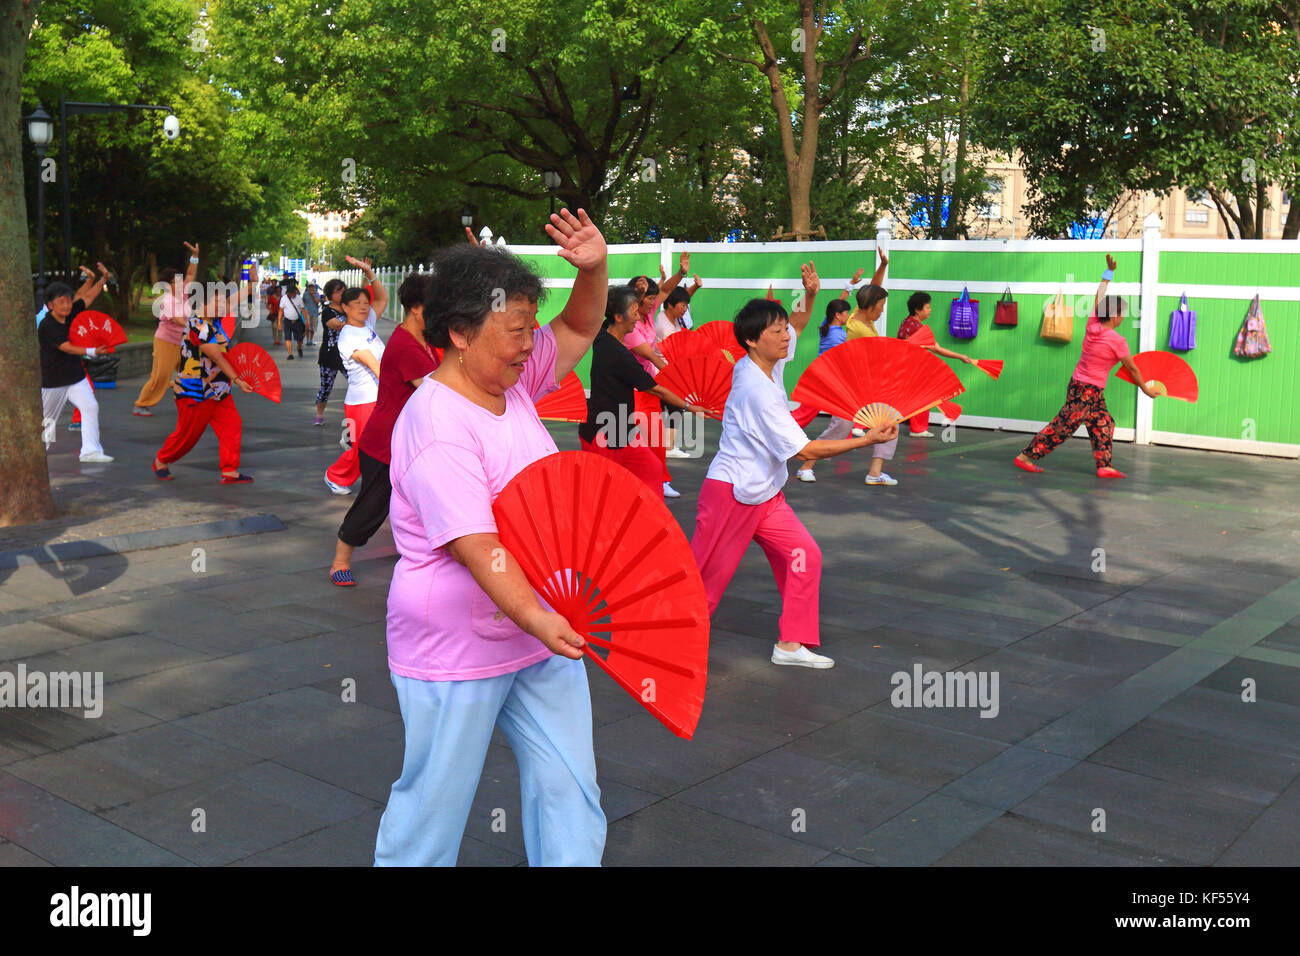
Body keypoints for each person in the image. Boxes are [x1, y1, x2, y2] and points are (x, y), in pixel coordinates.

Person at [374, 208, 609, 867]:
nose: (530, 346)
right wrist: (538, 615)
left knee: (570, 787)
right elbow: (477, 544)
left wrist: (595, 268)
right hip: (457, 643)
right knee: (432, 810)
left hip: (538, 629)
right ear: (457, 332)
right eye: (515, 333)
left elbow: (582, 323)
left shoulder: (517, 384)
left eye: (531, 331)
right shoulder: (435, 422)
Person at [691, 262, 897, 669]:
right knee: (703, 581)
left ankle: (790, 644)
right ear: (752, 340)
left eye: (785, 328)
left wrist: (813, 292)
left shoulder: (766, 363)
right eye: (777, 331)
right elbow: (805, 453)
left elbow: (800, 320)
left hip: (764, 493)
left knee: (805, 555)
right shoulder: (755, 389)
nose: (787, 335)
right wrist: (867, 439)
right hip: (730, 494)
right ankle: (661, 636)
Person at [330, 273, 439, 585]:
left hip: (410, 440)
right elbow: (434, 391)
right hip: (385, 443)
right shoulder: (406, 345)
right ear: (417, 308)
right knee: (373, 504)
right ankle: (340, 560)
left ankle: (423, 553)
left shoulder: (426, 338)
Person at [1015, 255, 1160, 478]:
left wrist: (1108, 273)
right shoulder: (1116, 340)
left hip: (1082, 387)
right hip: (1086, 390)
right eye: (1121, 313)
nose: (1123, 317)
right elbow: (1133, 369)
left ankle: (1104, 466)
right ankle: (1025, 457)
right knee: (1063, 427)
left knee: (1103, 422)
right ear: (1113, 315)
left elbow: (1099, 296)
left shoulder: (1093, 323)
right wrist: (1147, 389)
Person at [579, 284, 706, 497]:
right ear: (619, 317)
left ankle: (649, 522)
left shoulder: (602, 335)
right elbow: (658, 391)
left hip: (623, 433)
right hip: (602, 435)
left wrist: (635, 294)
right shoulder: (620, 356)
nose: (639, 317)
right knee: (601, 495)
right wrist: (690, 406)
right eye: (635, 312)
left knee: (652, 469)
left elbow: (611, 305)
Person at [797, 283, 901, 486]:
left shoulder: (857, 317)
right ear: (870, 306)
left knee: (890, 421)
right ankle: (806, 466)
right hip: (850, 387)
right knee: (841, 427)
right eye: (881, 305)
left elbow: (874, 287)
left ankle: (875, 472)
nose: (882, 309)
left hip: (867, 387)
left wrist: (883, 266)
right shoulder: (859, 329)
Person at [151, 283, 256, 482]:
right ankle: (161, 460)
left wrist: (251, 283)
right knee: (187, 436)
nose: (220, 307)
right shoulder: (197, 325)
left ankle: (229, 470)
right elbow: (217, 356)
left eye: (222, 303)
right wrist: (238, 380)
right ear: (201, 304)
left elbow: (236, 299)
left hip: (219, 389)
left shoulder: (215, 323)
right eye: (215, 303)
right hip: (195, 391)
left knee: (232, 426)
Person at [37, 275, 114, 463]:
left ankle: (90, 451)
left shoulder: (70, 313)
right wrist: (92, 351)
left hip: (75, 377)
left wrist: (102, 280)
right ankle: (38, 451)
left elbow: (87, 298)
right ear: (50, 305)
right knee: (48, 420)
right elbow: (67, 347)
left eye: (68, 301)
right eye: (61, 302)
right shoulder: (47, 325)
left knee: (90, 407)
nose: (66, 306)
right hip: (54, 380)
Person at [324, 281, 387, 495]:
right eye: (356, 303)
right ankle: (335, 475)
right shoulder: (349, 335)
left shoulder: (367, 324)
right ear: (345, 308)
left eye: (365, 303)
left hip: (378, 397)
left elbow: (382, 299)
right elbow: (371, 361)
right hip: (362, 401)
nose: (363, 306)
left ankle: (385, 484)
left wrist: (370, 275)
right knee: (362, 448)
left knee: (379, 444)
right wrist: (393, 387)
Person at [895, 291, 978, 437]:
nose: (930, 310)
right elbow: (936, 348)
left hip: (905, 367)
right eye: (927, 307)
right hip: (913, 370)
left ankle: (915, 427)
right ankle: (917, 429)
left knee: (914, 397)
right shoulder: (918, 328)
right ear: (917, 310)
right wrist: (960, 356)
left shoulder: (907, 322)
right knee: (923, 396)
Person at [133, 242, 200, 416]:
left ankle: (192, 400)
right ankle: (141, 404)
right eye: (175, 281)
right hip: (166, 342)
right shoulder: (168, 300)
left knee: (191, 371)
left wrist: (195, 255)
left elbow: (191, 272)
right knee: (160, 377)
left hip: (182, 341)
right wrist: (195, 326)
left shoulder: (183, 291)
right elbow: (178, 320)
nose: (179, 283)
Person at [315, 278, 347, 425]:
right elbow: (337, 325)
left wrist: (367, 274)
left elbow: (363, 296)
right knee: (326, 387)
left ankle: (355, 415)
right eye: (338, 290)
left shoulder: (349, 308)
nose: (342, 293)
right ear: (330, 294)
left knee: (356, 384)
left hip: (348, 356)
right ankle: (319, 415)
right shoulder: (328, 311)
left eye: (343, 289)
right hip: (329, 355)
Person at [280, 278, 307, 360]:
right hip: (287, 320)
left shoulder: (299, 298)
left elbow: (303, 309)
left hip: (297, 321)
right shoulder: (284, 298)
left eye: (294, 292)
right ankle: (290, 354)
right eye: (292, 293)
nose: (293, 294)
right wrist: (279, 322)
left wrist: (306, 320)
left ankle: (299, 348)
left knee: (300, 338)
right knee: (288, 337)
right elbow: (281, 310)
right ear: (288, 293)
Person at [303, 281, 321, 345]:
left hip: (314, 313)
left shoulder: (317, 293)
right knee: (307, 327)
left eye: (312, 286)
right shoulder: (305, 294)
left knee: (313, 328)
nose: (311, 288)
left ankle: (311, 340)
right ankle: (307, 340)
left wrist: (313, 295)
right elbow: (303, 302)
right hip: (307, 313)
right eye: (310, 286)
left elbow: (317, 302)